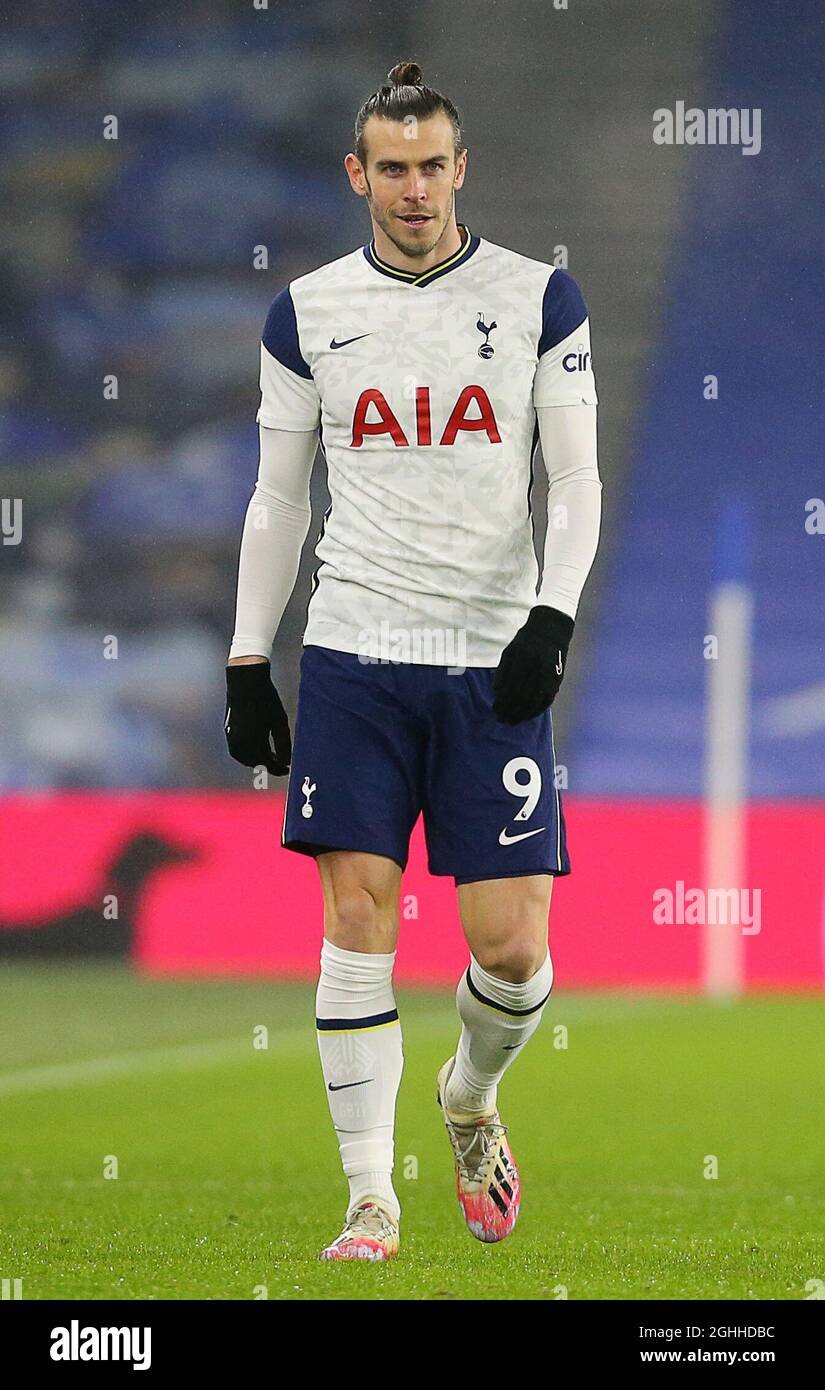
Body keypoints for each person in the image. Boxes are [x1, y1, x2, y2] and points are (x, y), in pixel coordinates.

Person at [225, 61, 601, 1261]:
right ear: (359, 174)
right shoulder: (308, 310)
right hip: (357, 651)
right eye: (392, 167)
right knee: (357, 910)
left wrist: (554, 613)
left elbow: (576, 478)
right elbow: (278, 502)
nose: (415, 187)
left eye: (433, 164)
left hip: (491, 659)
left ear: (461, 167)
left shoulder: (541, 297)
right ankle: (367, 1199)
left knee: (512, 948)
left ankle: (470, 1098)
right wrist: (247, 656)